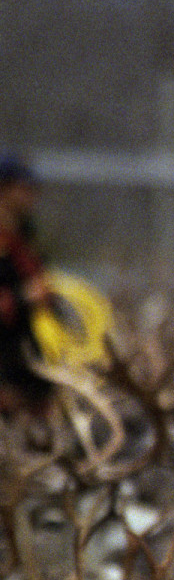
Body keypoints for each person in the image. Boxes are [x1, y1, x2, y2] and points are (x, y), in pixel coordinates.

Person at [0, 153, 58, 421]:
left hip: (26, 357)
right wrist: (23, 297)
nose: (32, 195)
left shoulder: (25, 238)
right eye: (24, 188)